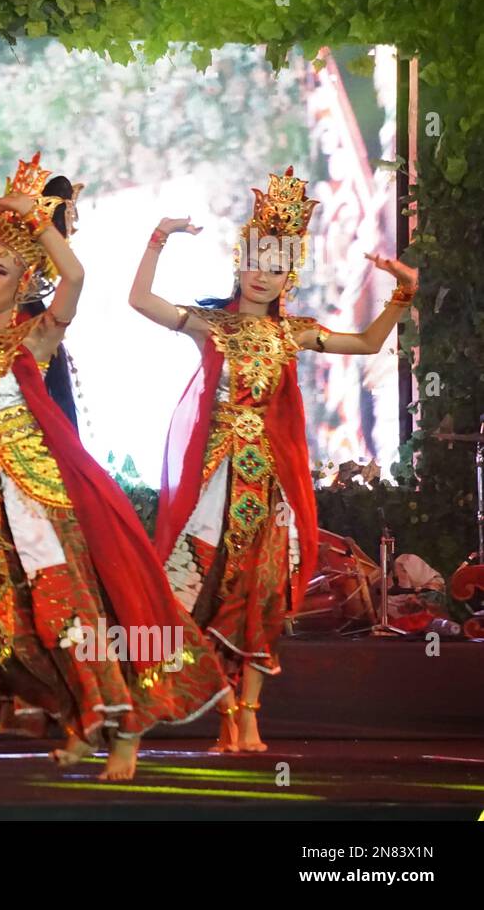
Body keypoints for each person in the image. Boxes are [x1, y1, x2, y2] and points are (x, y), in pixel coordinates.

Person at [0, 154, 229, 780]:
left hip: (39, 497)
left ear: (24, 276)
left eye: (0, 267)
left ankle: (124, 726)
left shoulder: (37, 337)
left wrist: (38, 221)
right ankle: (79, 721)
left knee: (71, 615)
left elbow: (77, 275)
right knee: (12, 621)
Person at [130, 166, 418, 752]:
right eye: (257, 260)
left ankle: (249, 714)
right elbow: (139, 301)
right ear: (240, 263)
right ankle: (206, 707)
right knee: (197, 593)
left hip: (269, 490)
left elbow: (364, 343)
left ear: (290, 272)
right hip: (214, 488)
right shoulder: (212, 325)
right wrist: (157, 238)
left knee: (260, 599)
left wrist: (403, 294)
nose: (264, 274)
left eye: (278, 264)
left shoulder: (293, 334)